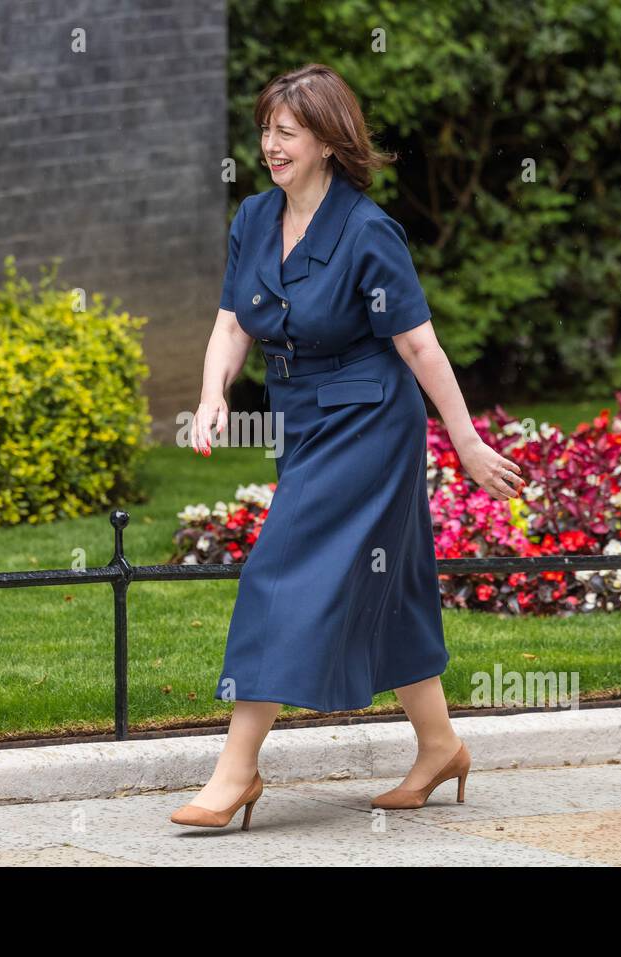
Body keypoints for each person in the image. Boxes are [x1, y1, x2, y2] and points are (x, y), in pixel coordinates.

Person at [171, 64, 524, 830]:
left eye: (287, 132)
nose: (270, 145)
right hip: (302, 418)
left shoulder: (368, 232)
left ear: (329, 142)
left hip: (370, 423)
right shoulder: (254, 219)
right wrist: (212, 394)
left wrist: (463, 440)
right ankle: (440, 746)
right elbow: (232, 324)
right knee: (388, 586)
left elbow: (420, 346)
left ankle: (237, 770)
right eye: (266, 129)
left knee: (277, 569)